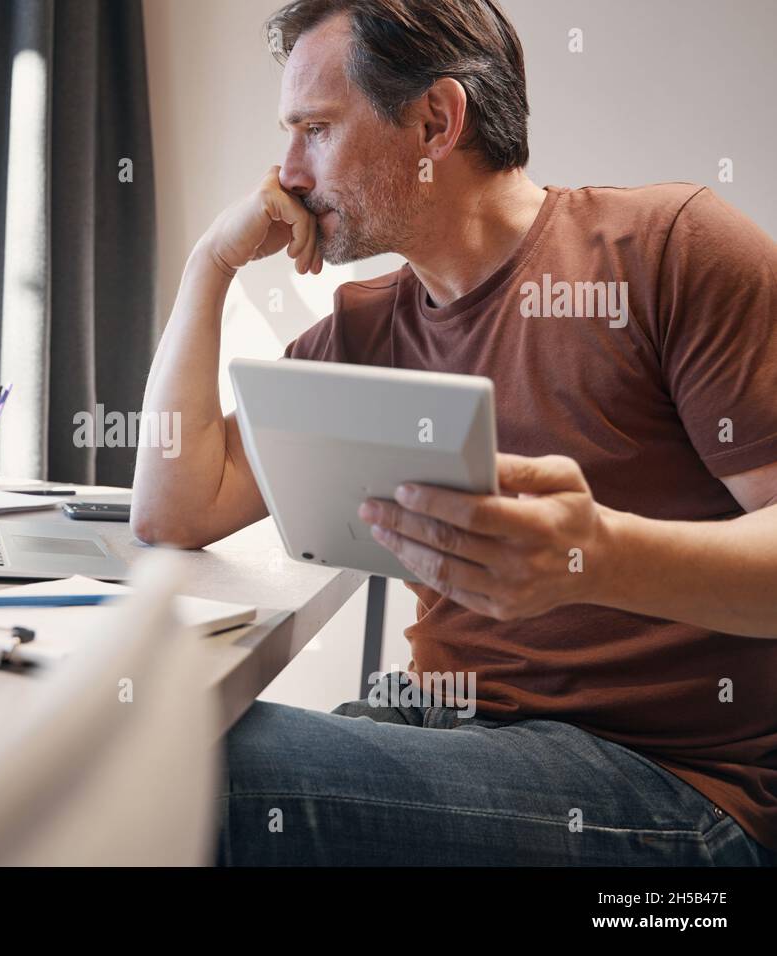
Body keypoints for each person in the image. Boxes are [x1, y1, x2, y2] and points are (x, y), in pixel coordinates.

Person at [131, 0, 777, 865]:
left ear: (436, 121)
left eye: (316, 129)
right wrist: (207, 266)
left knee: (201, 776)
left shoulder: (666, 250)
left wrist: (599, 554)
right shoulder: (364, 332)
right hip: (443, 717)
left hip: (675, 787)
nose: (285, 172)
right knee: (140, 747)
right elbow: (175, 509)